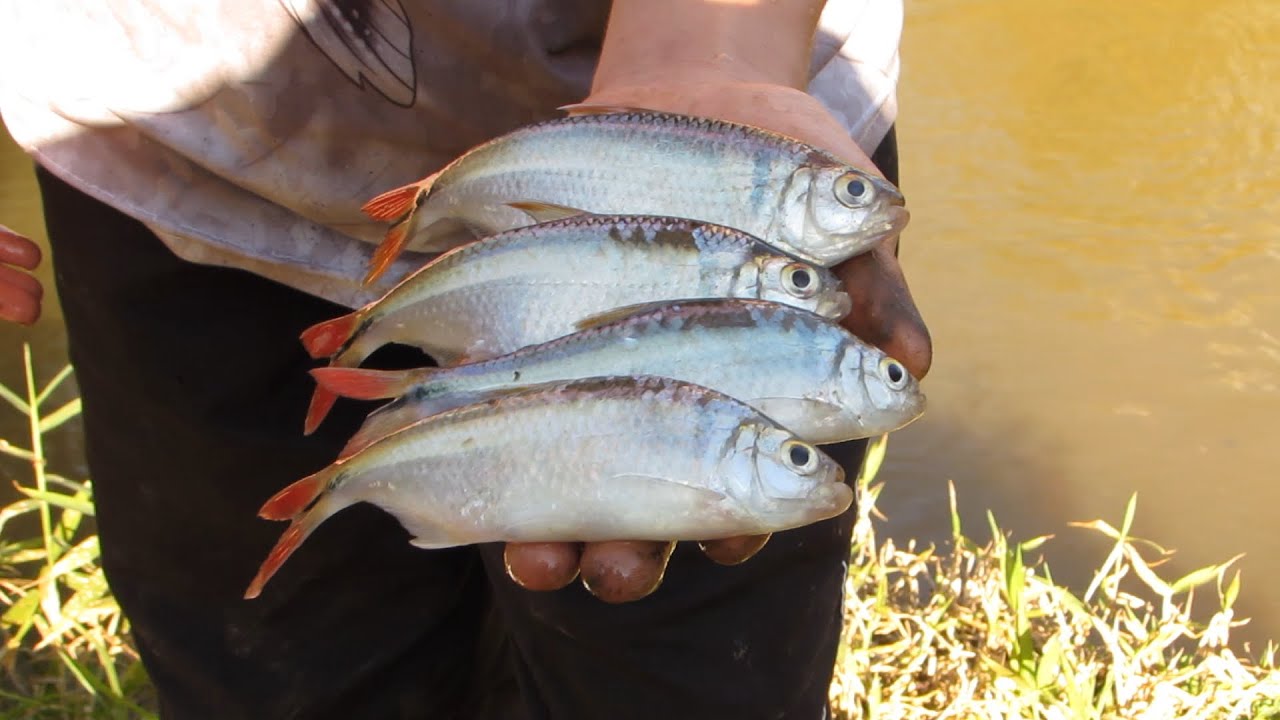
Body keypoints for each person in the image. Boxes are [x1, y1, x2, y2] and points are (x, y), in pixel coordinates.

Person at [0, 1, 932, 718]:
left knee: (674, 682)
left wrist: (707, 44)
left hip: (733, 81)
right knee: (273, 672)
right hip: (151, 152)